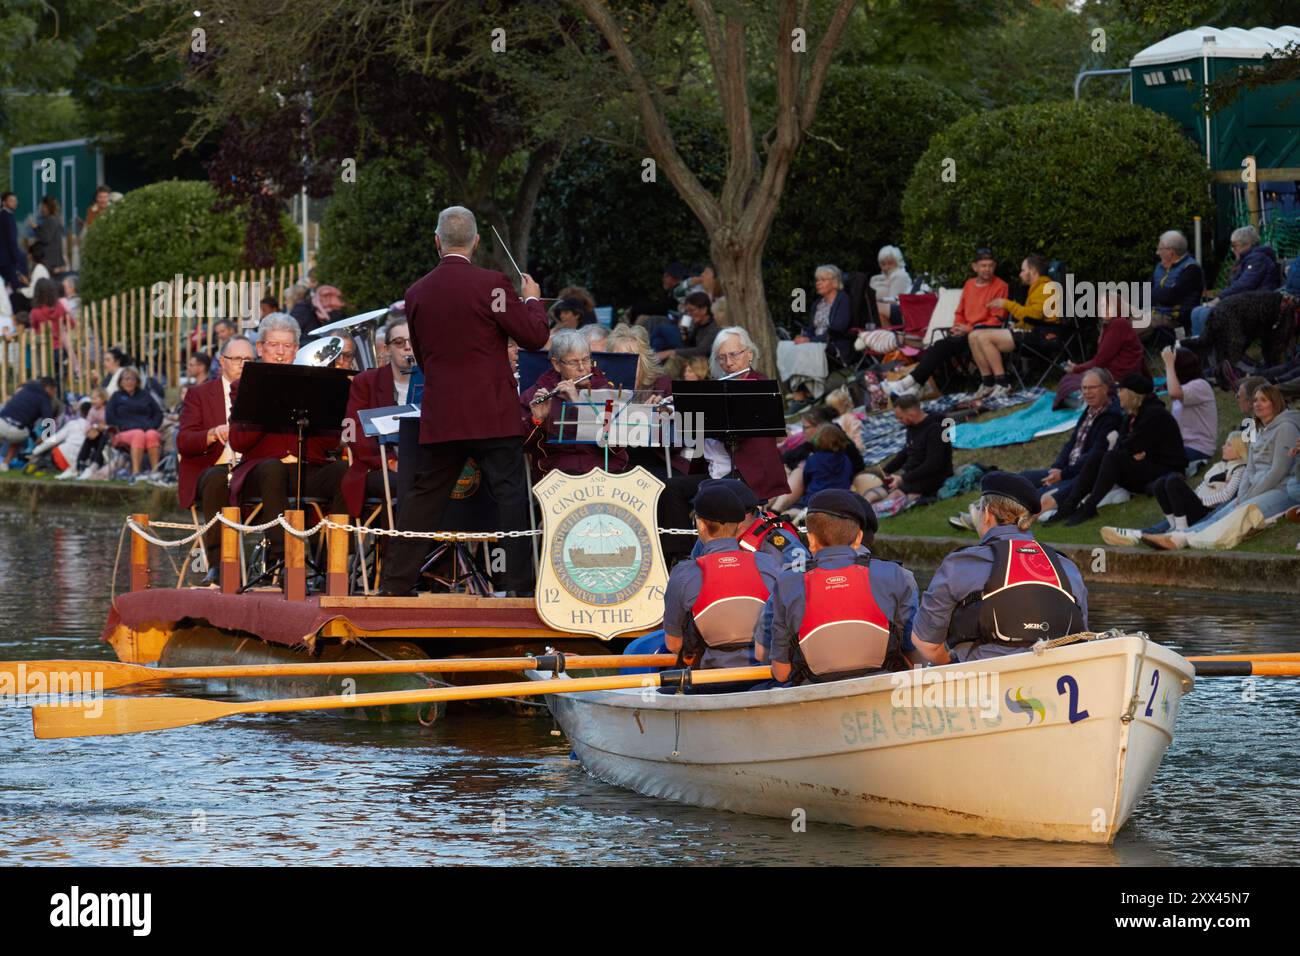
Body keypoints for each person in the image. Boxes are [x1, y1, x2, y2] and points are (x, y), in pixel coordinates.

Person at [381, 205, 550, 598]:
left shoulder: (416, 292)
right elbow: (535, 337)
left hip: (444, 412)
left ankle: (395, 584)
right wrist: (531, 300)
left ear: (436, 241)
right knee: (510, 495)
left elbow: (422, 355)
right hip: (492, 411)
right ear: (475, 242)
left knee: (423, 497)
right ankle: (521, 587)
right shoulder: (491, 284)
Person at [912, 472, 1087, 664]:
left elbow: (925, 642)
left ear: (987, 514)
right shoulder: (1067, 567)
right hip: (1057, 678)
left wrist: (949, 663)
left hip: (981, 682)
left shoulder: (960, 564)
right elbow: (1082, 639)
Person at [658, 327, 790, 562]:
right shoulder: (717, 387)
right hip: (715, 469)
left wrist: (700, 411)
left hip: (748, 474)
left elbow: (750, 433)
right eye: (722, 357)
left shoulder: (760, 386)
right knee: (672, 490)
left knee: (712, 497)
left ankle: (719, 559)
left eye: (735, 355)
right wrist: (676, 412)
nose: (729, 363)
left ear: (749, 354)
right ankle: (679, 558)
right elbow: (697, 434)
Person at [229, 313, 346, 571]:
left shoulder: (315, 384)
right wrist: (270, 407)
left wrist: (316, 413)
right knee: (273, 468)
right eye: (273, 345)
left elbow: (331, 442)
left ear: (297, 349)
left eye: (288, 346)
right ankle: (281, 560)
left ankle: (330, 561)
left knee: (342, 471)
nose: (280, 352)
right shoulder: (243, 385)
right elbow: (238, 442)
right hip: (262, 471)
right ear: (260, 348)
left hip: (307, 468)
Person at [768, 489, 917, 684]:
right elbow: (915, 652)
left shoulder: (787, 582)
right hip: (883, 687)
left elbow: (781, 673)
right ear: (858, 539)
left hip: (813, 692)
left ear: (811, 540)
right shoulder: (896, 574)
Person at [1142, 384, 1300, 550]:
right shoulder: (1256, 430)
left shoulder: (1286, 428)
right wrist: (1243, 493)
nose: (1257, 404)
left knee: (1236, 515)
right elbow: (1249, 468)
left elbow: (1278, 471)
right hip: (1255, 488)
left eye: (1263, 400)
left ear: (1275, 403)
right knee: (1221, 514)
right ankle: (1179, 535)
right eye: (1254, 401)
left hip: (1280, 489)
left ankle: (1183, 539)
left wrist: (1250, 495)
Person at [662, 483, 781, 676]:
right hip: (765, 676)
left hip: (709, 682)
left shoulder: (684, 573)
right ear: (740, 525)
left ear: (700, 524)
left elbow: (673, 644)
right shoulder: (769, 564)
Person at [1048, 373, 1185, 527]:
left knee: (1112, 457)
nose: (1118, 395)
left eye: (1121, 391)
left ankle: (1089, 506)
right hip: (1144, 468)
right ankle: (1070, 504)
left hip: (1164, 472)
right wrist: (1133, 452)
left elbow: (1130, 446)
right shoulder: (1131, 416)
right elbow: (1126, 446)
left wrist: (1134, 451)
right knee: (1099, 456)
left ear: (1132, 393)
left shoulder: (1154, 414)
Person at [177, 336, 256, 574]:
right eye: (237, 359)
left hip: (252, 467)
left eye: (249, 359)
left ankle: (279, 565)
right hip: (213, 467)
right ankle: (219, 565)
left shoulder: (261, 393)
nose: (243, 364)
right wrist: (211, 434)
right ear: (222, 361)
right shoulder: (199, 394)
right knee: (216, 478)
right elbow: (184, 442)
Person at [885, 248, 1008, 398]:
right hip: (965, 333)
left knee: (940, 346)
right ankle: (912, 386)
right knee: (939, 346)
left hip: (983, 334)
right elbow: (959, 312)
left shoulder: (1001, 286)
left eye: (991, 265)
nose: (987, 269)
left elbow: (997, 319)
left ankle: (907, 384)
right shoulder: (969, 284)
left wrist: (967, 329)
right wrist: (957, 327)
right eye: (983, 265)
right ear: (974, 267)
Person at [522, 327, 629, 479]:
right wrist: (536, 420)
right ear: (556, 364)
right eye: (573, 362)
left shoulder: (607, 391)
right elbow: (521, 446)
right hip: (558, 472)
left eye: (586, 360)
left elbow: (617, 446)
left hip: (606, 469)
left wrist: (580, 404)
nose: (582, 368)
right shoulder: (538, 392)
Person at [341, 318, 416, 519]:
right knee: (402, 484)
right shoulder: (366, 381)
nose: (408, 348)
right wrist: (388, 461)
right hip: (377, 466)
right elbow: (352, 430)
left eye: (413, 341)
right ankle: (394, 549)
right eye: (400, 343)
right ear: (387, 348)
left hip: (424, 465)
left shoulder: (432, 381)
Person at [968, 253, 1063, 398]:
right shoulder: (1036, 288)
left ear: (1032, 270)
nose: (1021, 274)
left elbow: (1034, 316)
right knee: (973, 336)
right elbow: (1032, 316)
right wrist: (1017, 325)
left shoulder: (1046, 287)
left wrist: (1007, 304)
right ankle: (988, 383)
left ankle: (1003, 384)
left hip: (1044, 335)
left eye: (1023, 270)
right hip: (1034, 331)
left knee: (984, 337)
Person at [864, 393, 953, 513]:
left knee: (895, 494)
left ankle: (870, 514)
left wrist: (903, 478)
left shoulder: (936, 428)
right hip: (913, 474)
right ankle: (861, 509)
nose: (900, 421)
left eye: (900, 418)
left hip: (934, 476)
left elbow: (933, 464)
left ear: (911, 413)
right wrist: (885, 471)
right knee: (872, 494)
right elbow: (906, 452)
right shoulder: (912, 426)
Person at [1054, 291, 1144, 408]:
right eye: (1102, 306)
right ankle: (1084, 399)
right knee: (1072, 381)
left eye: (1109, 306)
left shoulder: (1118, 324)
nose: (1105, 309)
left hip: (1120, 375)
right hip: (1113, 371)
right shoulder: (1110, 324)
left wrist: (1076, 368)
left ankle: (1084, 401)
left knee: (1071, 380)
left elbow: (1100, 361)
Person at [1188, 226, 1282, 337]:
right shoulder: (1245, 260)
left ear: (1247, 245)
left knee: (1207, 314)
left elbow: (1245, 285)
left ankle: (1212, 351)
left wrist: (1220, 298)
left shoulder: (1258, 259)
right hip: (1242, 301)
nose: (1232, 249)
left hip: (1256, 304)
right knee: (1197, 312)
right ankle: (1199, 350)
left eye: (1234, 245)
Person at [106, 367, 164, 479]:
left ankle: (155, 472)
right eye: (125, 379)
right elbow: (110, 418)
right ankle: (136, 473)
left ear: (137, 381)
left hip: (146, 429)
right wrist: (127, 426)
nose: (129, 382)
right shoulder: (116, 397)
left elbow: (158, 413)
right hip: (122, 432)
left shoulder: (145, 395)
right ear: (120, 382)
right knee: (138, 434)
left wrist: (152, 426)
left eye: (132, 379)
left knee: (152, 434)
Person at [1162, 346, 1216, 465]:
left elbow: (1173, 393)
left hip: (1199, 448)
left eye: (1167, 366)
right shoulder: (1184, 388)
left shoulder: (1200, 385)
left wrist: (1170, 364)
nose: (1165, 368)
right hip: (1183, 446)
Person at [1150, 229, 1204, 339]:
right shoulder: (1160, 267)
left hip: (1174, 320)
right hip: (1154, 313)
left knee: (1125, 328)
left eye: (1160, 249)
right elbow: (1144, 290)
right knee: (1117, 321)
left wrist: (1152, 293)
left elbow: (1168, 297)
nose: (1157, 252)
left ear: (1171, 252)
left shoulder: (1191, 270)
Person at [795, 264, 853, 365]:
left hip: (833, 345)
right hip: (815, 343)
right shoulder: (817, 304)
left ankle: (804, 379)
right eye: (817, 280)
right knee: (785, 346)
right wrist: (804, 337)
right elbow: (812, 328)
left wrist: (810, 340)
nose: (818, 283)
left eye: (823, 280)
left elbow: (837, 330)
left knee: (798, 351)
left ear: (834, 282)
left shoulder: (843, 300)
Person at [0, 376, 57, 470]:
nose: (54, 394)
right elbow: (49, 425)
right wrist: (42, 439)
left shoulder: (25, 389)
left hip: (1, 424)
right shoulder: (45, 398)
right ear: (49, 388)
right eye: (54, 391)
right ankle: (5, 464)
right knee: (18, 435)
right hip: (17, 432)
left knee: (17, 430)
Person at [665, 292, 720, 361]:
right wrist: (684, 332)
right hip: (694, 358)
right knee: (660, 339)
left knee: (662, 330)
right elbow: (689, 345)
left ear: (704, 310)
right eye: (687, 311)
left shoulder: (713, 327)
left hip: (704, 362)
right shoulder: (697, 324)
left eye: (692, 310)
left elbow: (701, 351)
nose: (689, 314)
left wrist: (671, 352)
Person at [869, 245, 911, 324]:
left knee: (878, 309)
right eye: (883, 264)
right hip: (874, 312)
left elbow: (893, 301)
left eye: (890, 263)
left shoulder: (900, 276)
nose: (886, 267)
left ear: (897, 262)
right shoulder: (876, 278)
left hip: (896, 313)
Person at [0, 193, 27, 304]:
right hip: (8, 260)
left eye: (15, 200)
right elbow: (12, 241)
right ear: (4, 202)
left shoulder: (2, 215)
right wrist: (17, 259)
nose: (15, 203)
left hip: (3, 259)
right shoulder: (8, 217)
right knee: (17, 288)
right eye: (11, 200)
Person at [34, 196, 66, 274]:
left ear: (48, 207)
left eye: (43, 207)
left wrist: (36, 228)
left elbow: (46, 238)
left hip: (50, 261)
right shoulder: (54, 219)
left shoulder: (50, 220)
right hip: (53, 261)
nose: (41, 209)